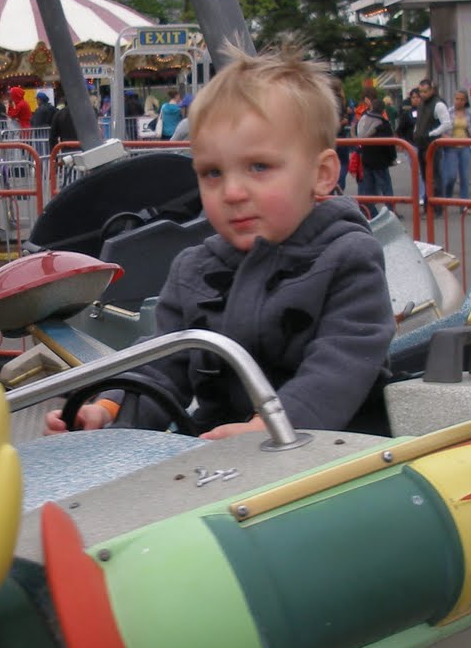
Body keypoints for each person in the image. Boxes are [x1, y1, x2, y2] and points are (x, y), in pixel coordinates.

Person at [46, 42, 396, 440]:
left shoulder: (348, 258)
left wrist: (267, 430)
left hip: (336, 451)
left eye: (258, 167)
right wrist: (108, 409)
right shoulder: (194, 270)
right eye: (213, 173)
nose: (231, 192)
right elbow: (163, 361)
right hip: (222, 455)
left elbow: (340, 366)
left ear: (322, 174)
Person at [410, 79, 450, 207]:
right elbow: (419, 121)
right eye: (421, 91)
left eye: (425, 91)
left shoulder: (438, 105)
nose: (422, 94)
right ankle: (429, 205)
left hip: (432, 145)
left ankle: (437, 206)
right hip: (421, 144)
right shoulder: (421, 104)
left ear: (432, 90)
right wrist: (416, 131)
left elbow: (447, 124)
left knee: (434, 176)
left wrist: (432, 134)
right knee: (425, 176)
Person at [354, 94, 396, 211]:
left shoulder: (364, 119)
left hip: (366, 159)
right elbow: (390, 145)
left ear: (371, 107)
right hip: (381, 161)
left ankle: (370, 212)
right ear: (383, 111)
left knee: (368, 189)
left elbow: (359, 134)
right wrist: (392, 158)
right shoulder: (384, 124)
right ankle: (390, 210)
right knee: (386, 188)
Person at [439, 89, 471, 200]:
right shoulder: (448, 113)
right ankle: (447, 196)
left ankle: (464, 204)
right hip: (451, 148)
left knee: (465, 177)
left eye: (462, 99)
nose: (459, 102)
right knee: (451, 176)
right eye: (457, 99)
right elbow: (441, 131)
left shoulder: (468, 115)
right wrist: (449, 139)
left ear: (465, 101)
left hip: (465, 148)